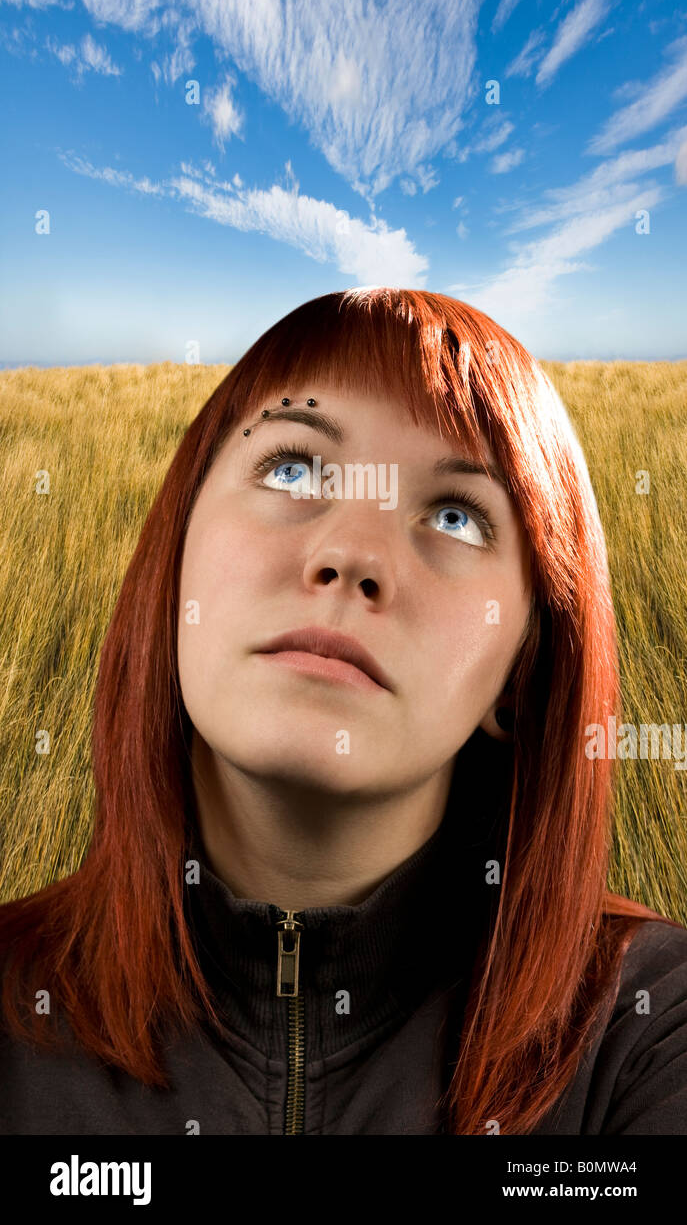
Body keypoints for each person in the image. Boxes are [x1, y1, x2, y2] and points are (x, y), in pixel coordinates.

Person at [1, 286, 686, 1136]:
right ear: (174, 552)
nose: (352, 556)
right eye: (292, 469)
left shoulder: (651, 1029)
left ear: (519, 673)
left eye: (453, 515)